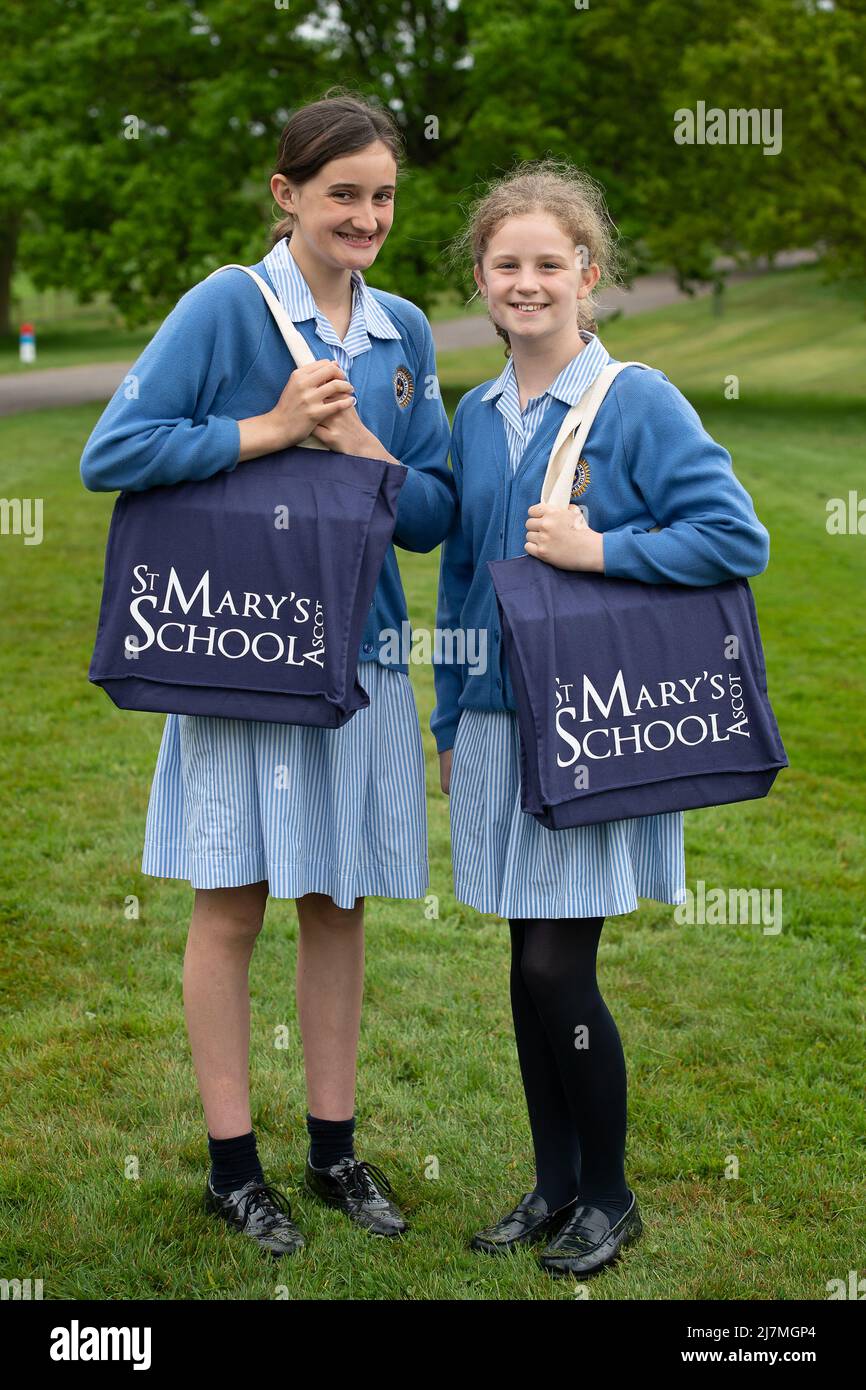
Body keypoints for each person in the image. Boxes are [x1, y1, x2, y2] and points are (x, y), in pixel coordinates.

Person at [80, 90, 455, 1258]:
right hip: (237, 648)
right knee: (230, 904)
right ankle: (233, 1170)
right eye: (342, 193)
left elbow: (434, 511)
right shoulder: (223, 307)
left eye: (382, 194)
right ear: (288, 195)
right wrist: (270, 425)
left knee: (337, 904)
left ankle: (334, 1151)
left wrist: (363, 446)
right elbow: (113, 451)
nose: (366, 216)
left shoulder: (404, 330)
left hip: (356, 656)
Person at [432, 160, 770, 1278]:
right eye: (504, 263)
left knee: (551, 970)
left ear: (586, 273)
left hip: (591, 726)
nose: (525, 282)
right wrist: (443, 715)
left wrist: (602, 548)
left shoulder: (634, 399)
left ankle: (608, 1196)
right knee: (523, 964)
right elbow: (458, 582)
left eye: (547, 264)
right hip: (491, 723)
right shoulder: (474, 414)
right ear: (479, 278)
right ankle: (551, 1185)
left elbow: (733, 538)